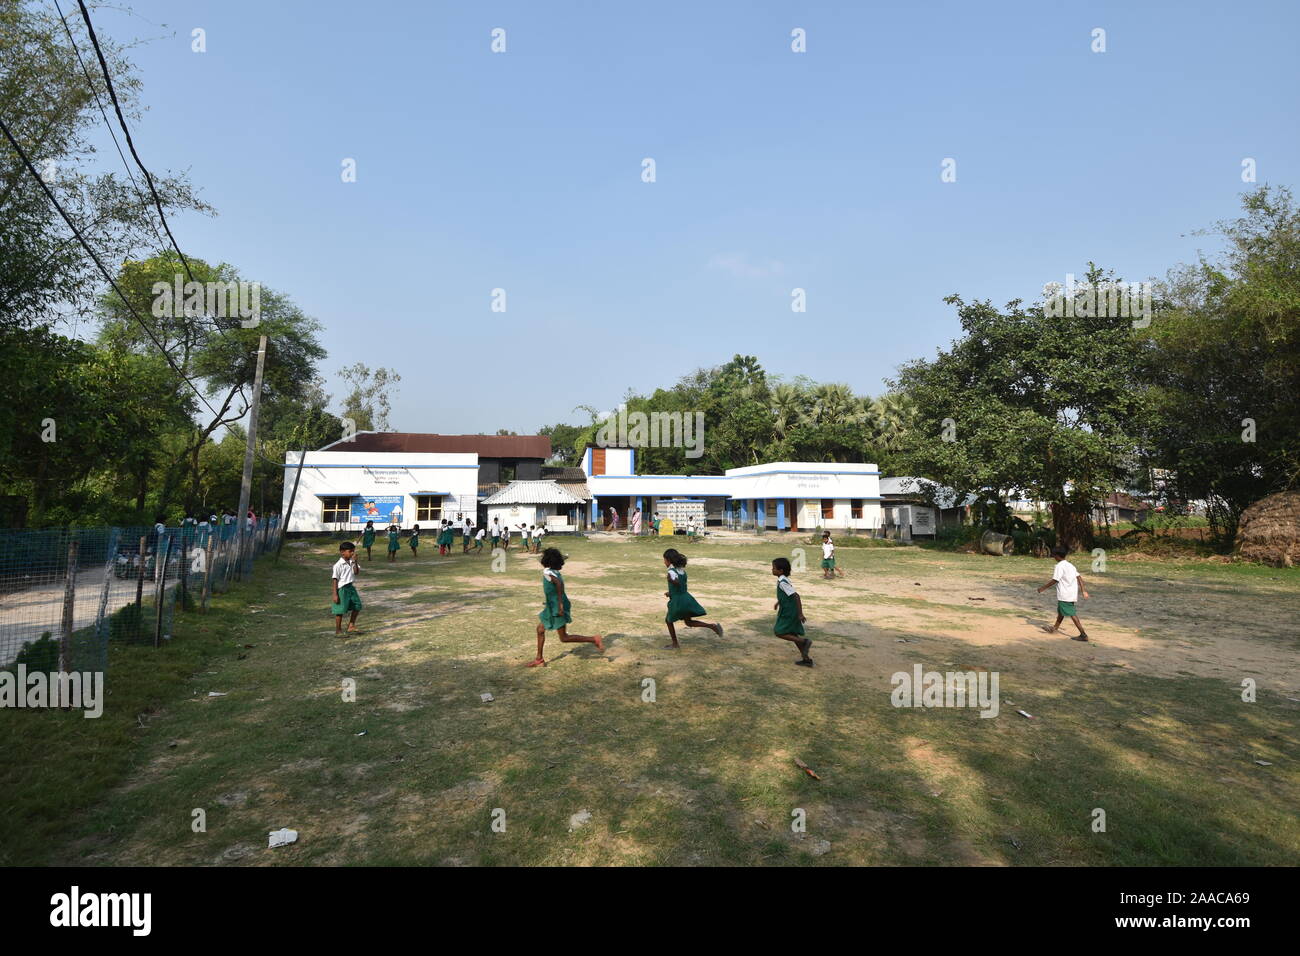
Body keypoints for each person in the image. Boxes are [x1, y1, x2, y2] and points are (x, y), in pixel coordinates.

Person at [527, 547, 604, 667]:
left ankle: (594, 639)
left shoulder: (547, 573)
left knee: (564, 638)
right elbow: (557, 562)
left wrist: (560, 605)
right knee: (540, 630)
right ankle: (539, 659)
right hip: (552, 606)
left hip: (557, 606)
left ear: (546, 562)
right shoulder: (554, 571)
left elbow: (558, 584)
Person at [662, 549, 723, 648]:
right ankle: (712, 626)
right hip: (686, 598)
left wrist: (672, 581)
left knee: (668, 621)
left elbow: (677, 582)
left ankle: (675, 644)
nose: (664, 562)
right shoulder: (681, 570)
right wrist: (670, 592)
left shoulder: (671, 571)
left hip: (678, 601)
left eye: (664, 560)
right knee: (689, 622)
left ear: (669, 560)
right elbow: (680, 585)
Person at [1037, 545, 1091, 641]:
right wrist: (1083, 590)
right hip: (1071, 594)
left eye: (1054, 555)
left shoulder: (1059, 566)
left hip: (1065, 594)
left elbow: (1055, 580)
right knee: (1061, 612)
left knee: (1072, 613)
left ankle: (1083, 634)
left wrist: (1042, 588)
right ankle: (1054, 629)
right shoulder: (1071, 565)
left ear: (1057, 556)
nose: (1053, 557)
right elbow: (1079, 577)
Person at [771, 557, 813, 666]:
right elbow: (786, 595)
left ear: (780, 571)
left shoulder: (782, 582)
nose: (772, 570)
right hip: (788, 609)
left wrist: (800, 614)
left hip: (789, 612)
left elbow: (796, 596)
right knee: (793, 634)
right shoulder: (783, 579)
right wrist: (778, 602)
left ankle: (805, 642)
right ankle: (806, 659)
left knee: (779, 632)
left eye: (774, 568)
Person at [331, 541, 362, 636]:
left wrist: (355, 562)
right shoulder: (338, 565)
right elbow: (335, 580)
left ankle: (351, 625)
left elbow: (356, 572)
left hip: (351, 587)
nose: (353, 553)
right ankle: (338, 630)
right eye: (350, 551)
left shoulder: (352, 562)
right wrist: (335, 594)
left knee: (357, 605)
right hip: (342, 589)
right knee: (340, 610)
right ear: (342, 552)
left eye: (353, 551)